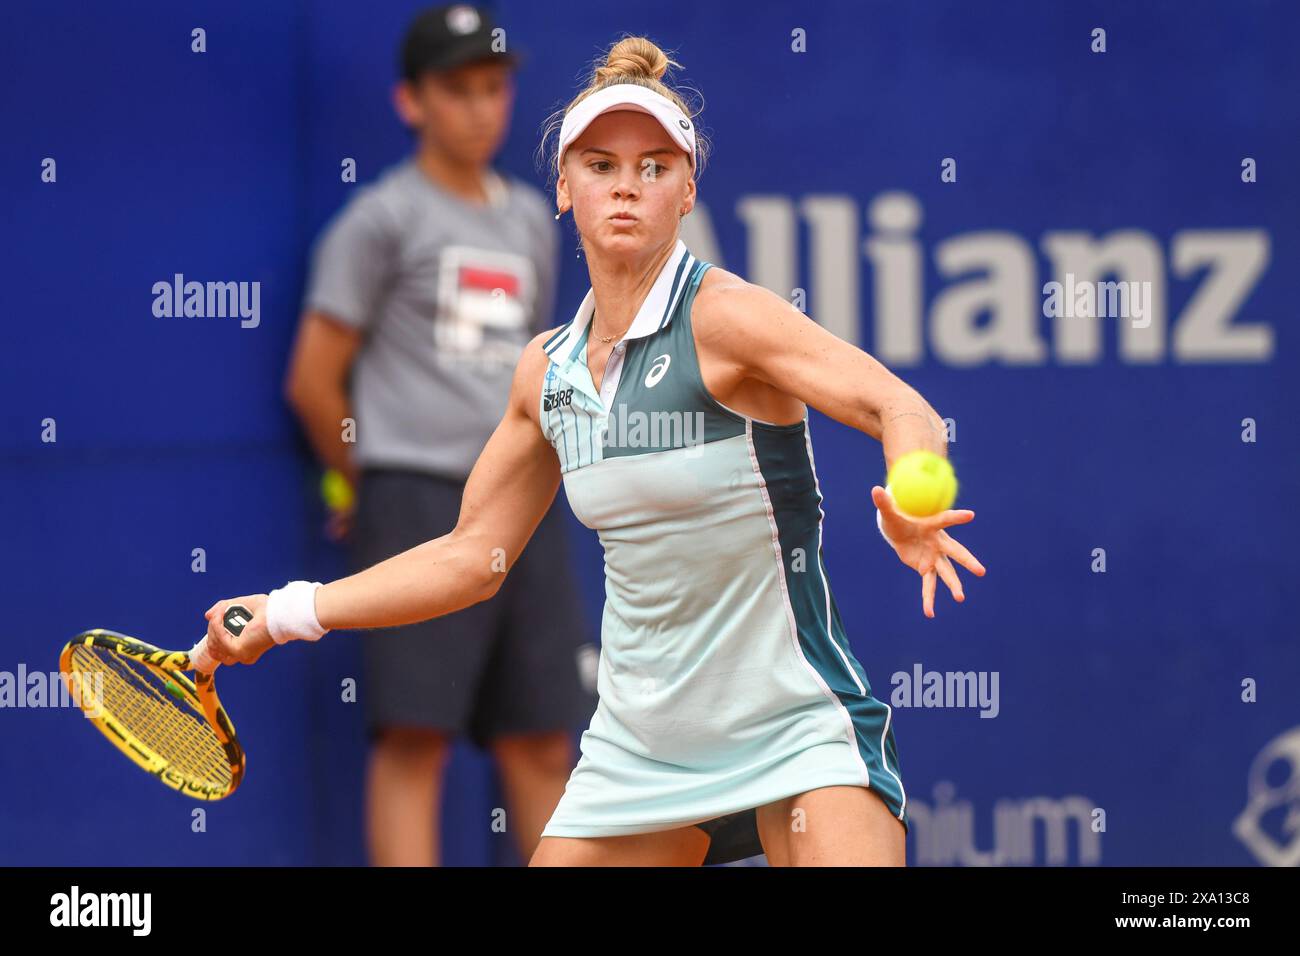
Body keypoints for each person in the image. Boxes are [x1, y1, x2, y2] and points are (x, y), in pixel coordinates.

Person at [203, 35, 986, 867]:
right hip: (641, 751)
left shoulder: (728, 319)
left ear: (687, 191)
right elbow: (472, 555)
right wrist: (289, 612)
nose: (627, 187)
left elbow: (897, 405)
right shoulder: (548, 371)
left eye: (654, 168)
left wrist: (913, 494)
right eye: (602, 165)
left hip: (795, 726)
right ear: (563, 188)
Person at [282, 3, 596, 866]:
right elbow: (314, 379)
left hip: (523, 505)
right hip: (414, 498)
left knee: (541, 740)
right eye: (456, 91)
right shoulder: (379, 221)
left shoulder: (535, 218)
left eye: (494, 88)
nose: (481, 108)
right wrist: (358, 482)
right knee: (415, 738)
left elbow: (531, 375)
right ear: (410, 102)